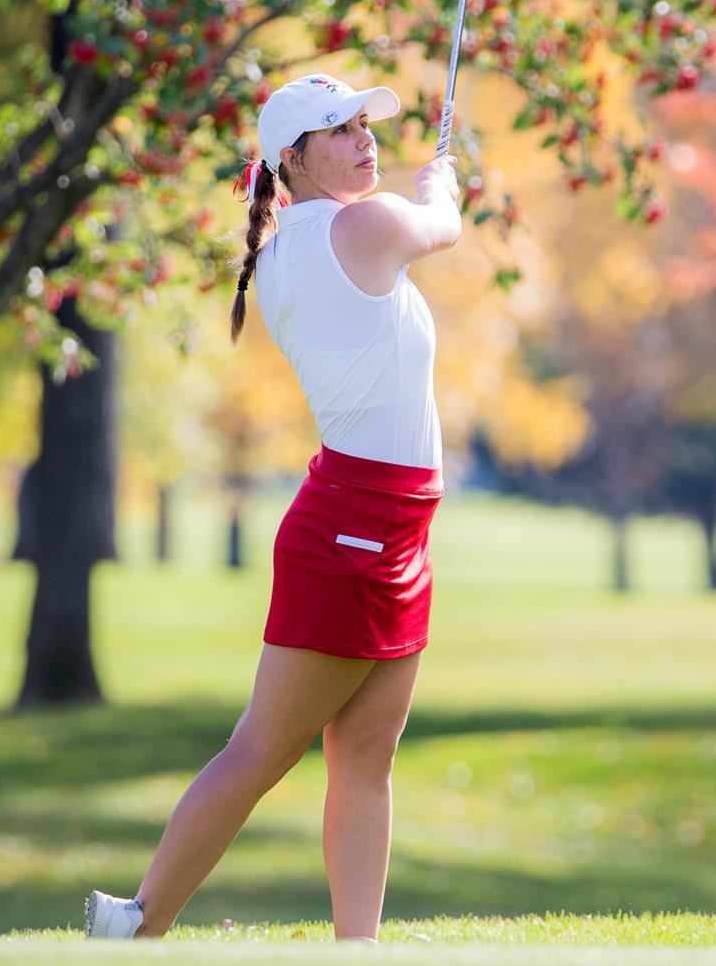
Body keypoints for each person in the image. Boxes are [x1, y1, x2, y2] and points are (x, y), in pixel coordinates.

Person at [86, 73, 461, 942]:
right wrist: (442, 175)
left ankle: (355, 950)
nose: (366, 138)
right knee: (264, 748)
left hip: (389, 524)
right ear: (292, 159)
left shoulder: (298, 240)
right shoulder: (359, 226)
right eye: (342, 128)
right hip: (357, 528)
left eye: (367, 124)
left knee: (366, 754)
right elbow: (441, 222)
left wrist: (433, 178)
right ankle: (138, 925)